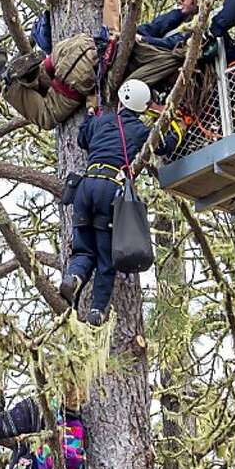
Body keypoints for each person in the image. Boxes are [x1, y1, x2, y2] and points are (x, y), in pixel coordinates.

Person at [0, 0, 220, 130]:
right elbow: (130, 85)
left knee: (42, 83)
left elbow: (154, 27)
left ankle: (29, 73)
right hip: (84, 71)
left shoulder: (140, 40)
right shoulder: (170, 57)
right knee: (47, 115)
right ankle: (3, 74)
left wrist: (183, 14)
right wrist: (150, 105)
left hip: (76, 46)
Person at [59, 78, 184, 325]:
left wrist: (92, 110)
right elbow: (166, 146)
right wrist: (179, 126)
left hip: (86, 186)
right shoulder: (141, 132)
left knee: (84, 248)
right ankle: (96, 311)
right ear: (143, 108)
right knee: (106, 257)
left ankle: (73, 277)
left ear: (121, 102)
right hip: (111, 189)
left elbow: (83, 138)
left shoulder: (102, 121)